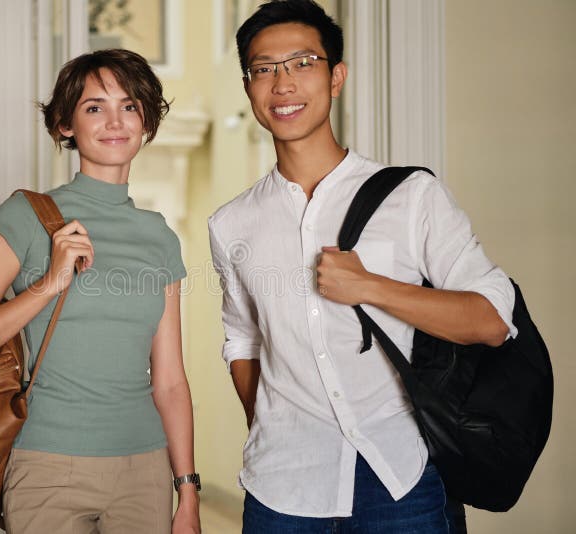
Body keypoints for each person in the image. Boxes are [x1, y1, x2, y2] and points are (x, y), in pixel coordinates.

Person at [207, 1, 517, 532]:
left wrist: (371, 286)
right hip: (280, 486)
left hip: (399, 476)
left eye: (303, 63)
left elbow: (490, 320)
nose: (283, 84)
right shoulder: (231, 223)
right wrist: (270, 427)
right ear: (249, 87)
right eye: (264, 69)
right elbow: (243, 340)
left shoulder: (412, 196)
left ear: (336, 77)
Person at [0, 49, 201, 534]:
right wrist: (49, 284)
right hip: (46, 467)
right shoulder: (24, 216)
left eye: (129, 106)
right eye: (94, 107)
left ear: (145, 121)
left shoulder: (159, 236)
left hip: (145, 469)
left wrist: (186, 490)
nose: (114, 121)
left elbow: (169, 380)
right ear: (65, 124)